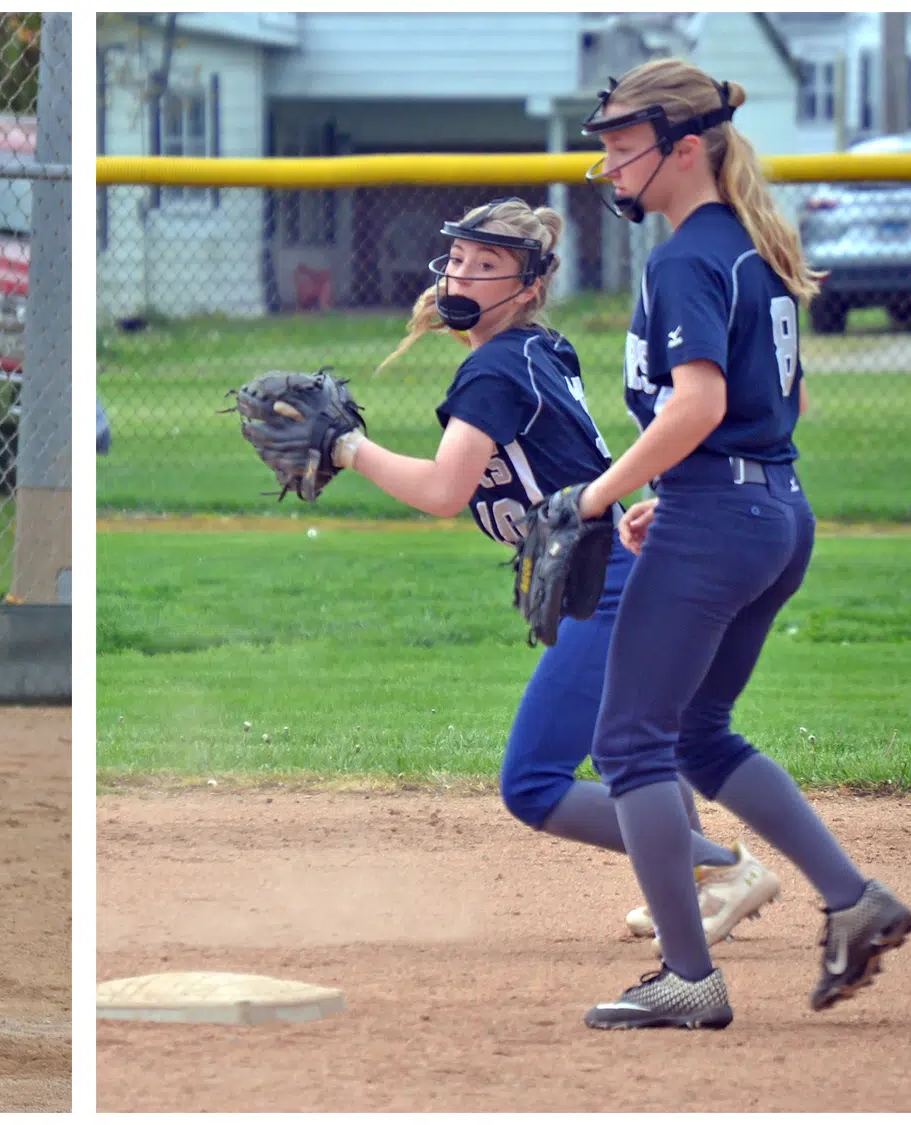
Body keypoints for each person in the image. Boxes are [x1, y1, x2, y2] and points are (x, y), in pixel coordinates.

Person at [555, 61, 911, 1030]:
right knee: (698, 735)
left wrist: (598, 493)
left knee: (628, 742)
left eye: (620, 142)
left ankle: (687, 977)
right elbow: (784, 402)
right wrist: (671, 487)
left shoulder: (685, 256)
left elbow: (700, 402)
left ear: (681, 146)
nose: (607, 160)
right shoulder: (749, 243)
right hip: (769, 514)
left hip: (721, 519)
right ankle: (852, 900)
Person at [347, 197, 780, 948]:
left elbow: (445, 492)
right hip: (623, 567)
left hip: (609, 580)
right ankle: (694, 887)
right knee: (636, 744)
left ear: (528, 288)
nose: (464, 276)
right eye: (458, 261)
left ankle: (718, 870)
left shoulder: (494, 369)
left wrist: (347, 449)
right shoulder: (540, 349)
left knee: (534, 782)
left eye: (488, 268)